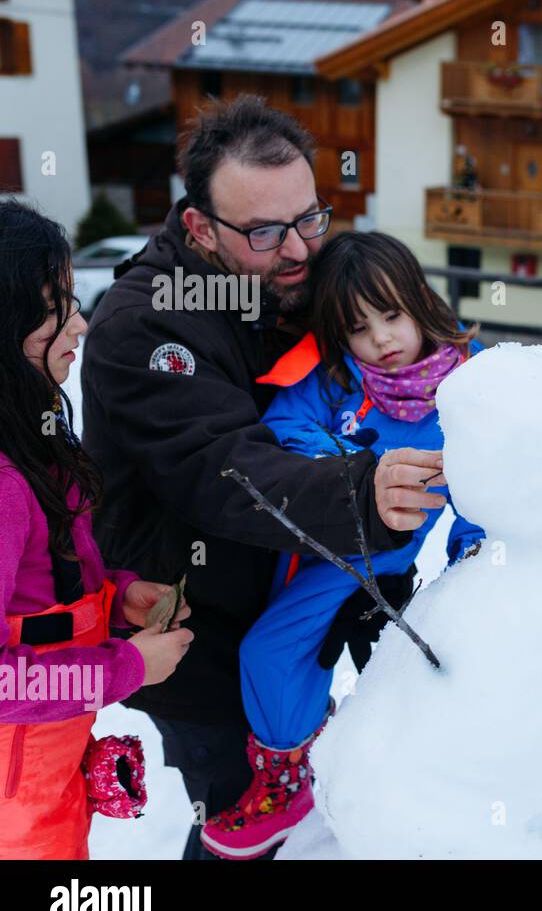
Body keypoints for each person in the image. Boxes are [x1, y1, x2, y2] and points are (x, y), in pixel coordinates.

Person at [81, 95, 446, 860]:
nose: (298, 250)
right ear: (198, 229)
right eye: (263, 232)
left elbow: (386, 343)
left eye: (310, 217)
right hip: (193, 628)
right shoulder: (144, 324)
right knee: (241, 819)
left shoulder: (283, 279)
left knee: (322, 786)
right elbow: (222, 467)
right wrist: (363, 493)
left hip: (302, 587)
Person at [200, 232, 484, 859]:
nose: (382, 339)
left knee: (273, 652)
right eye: (360, 327)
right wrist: (351, 468)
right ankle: (295, 759)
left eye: (392, 315)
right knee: (282, 653)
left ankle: (294, 777)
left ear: (419, 302)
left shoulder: (469, 384)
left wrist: (472, 555)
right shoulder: (339, 381)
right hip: (317, 542)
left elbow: (483, 483)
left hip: (381, 562)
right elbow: (283, 423)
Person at [0, 199, 193, 859]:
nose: (80, 323)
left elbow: (39, 598)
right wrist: (126, 668)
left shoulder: (31, 433)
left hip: (41, 781)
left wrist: (116, 597)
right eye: (57, 306)